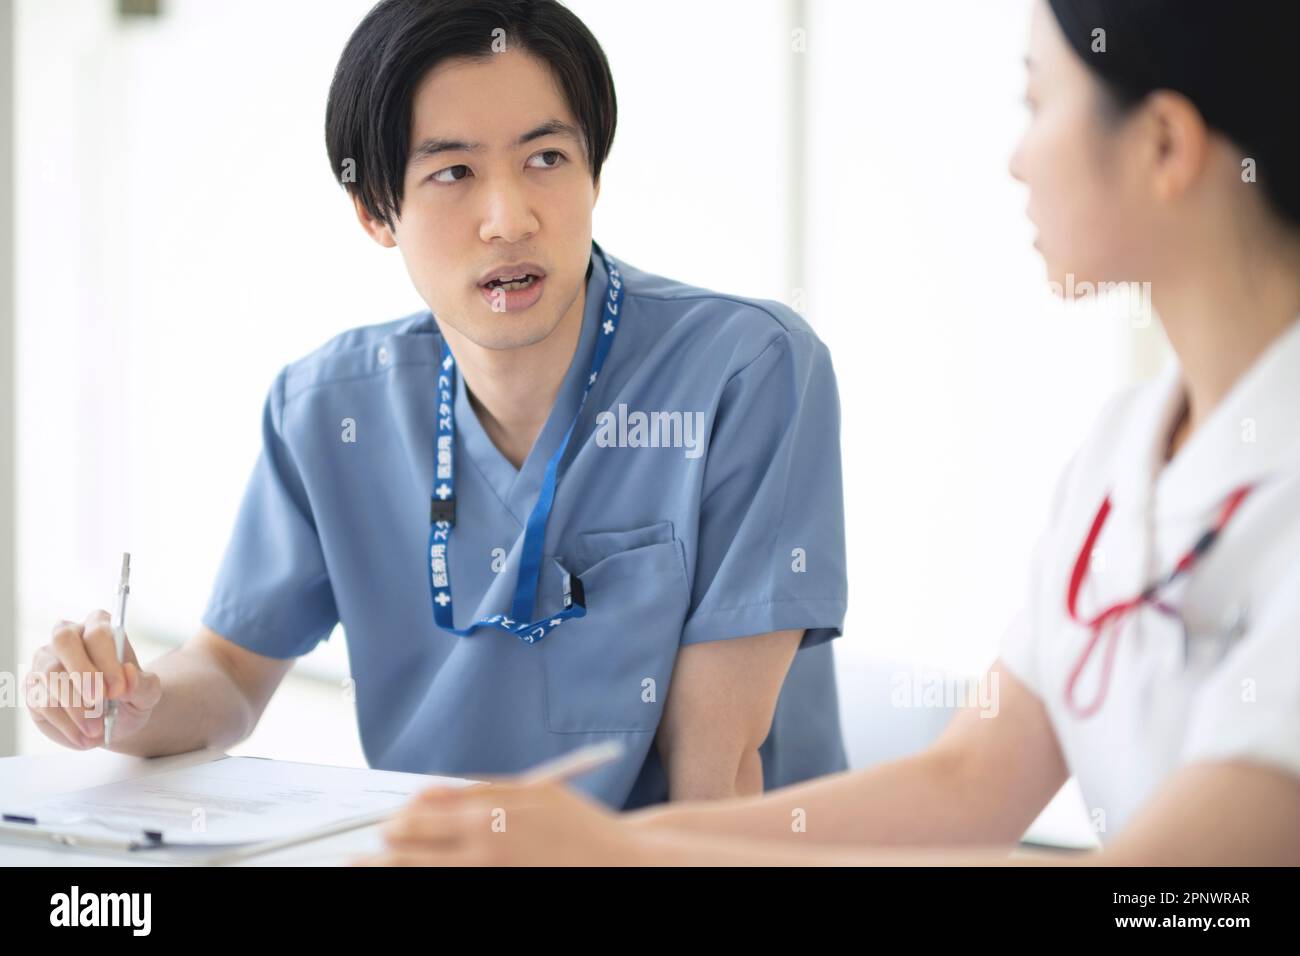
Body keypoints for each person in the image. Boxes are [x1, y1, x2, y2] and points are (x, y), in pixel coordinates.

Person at [354, 0, 1300, 865]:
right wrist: (584, 841)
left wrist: (624, 857)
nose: (1016, 158)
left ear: (1165, 146)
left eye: (1037, 100)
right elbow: (966, 789)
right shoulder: (1129, 447)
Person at [24, 0, 850, 810]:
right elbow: (231, 676)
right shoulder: (326, 411)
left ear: (594, 170)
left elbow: (719, 780)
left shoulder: (745, 372)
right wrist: (126, 701)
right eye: (453, 172)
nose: (509, 218)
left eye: (547, 159)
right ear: (375, 210)